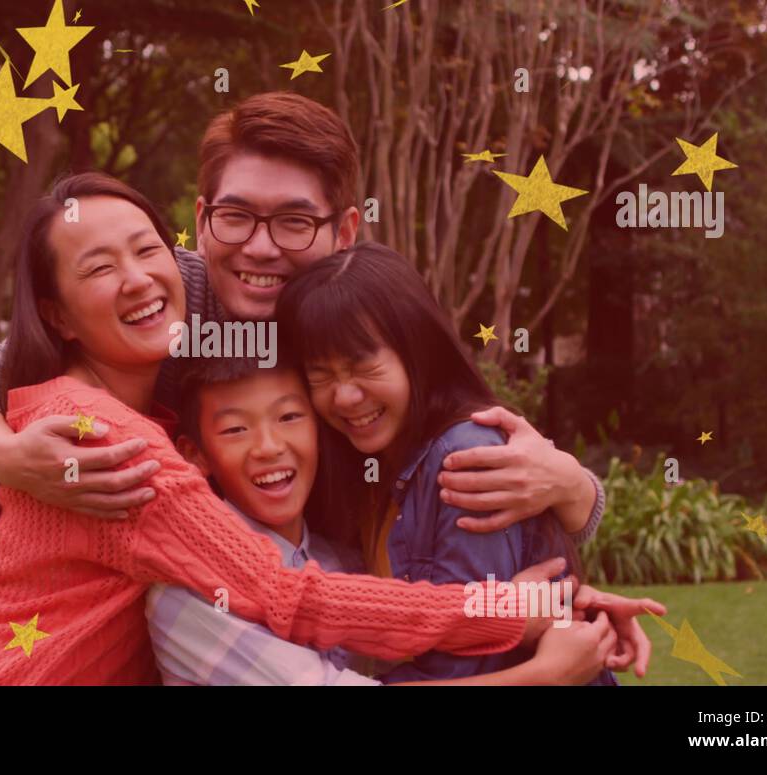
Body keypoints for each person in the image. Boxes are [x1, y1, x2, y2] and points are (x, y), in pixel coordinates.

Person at [0, 173, 582, 686]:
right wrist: (509, 611)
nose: (138, 278)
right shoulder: (109, 441)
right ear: (58, 317)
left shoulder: (124, 403)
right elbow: (289, 594)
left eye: (146, 249)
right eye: (99, 267)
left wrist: (573, 532)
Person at [0, 92, 605, 542]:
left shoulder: (366, 314)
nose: (260, 246)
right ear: (201, 218)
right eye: (236, 215)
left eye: (292, 221)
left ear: (344, 230)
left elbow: (467, 437)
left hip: (349, 584)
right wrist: (8, 455)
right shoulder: (170, 298)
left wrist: (574, 488)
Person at [274, 242, 665, 684]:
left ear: (415, 350)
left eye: (363, 366)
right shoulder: (365, 468)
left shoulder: (464, 456)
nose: (344, 396)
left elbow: (468, 654)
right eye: (320, 375)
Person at [147, 356, 648, 685]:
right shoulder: (189, 593)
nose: (270, 446)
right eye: (235, 428)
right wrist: (547, 674)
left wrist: (569, 605)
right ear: (195, 455)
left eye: (290, 417)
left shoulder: (340, 561)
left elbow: (425, 632)